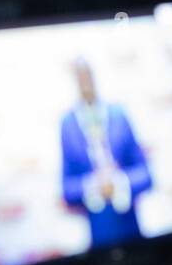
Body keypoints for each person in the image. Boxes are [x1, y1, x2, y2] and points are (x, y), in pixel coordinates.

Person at [59, 57, 153, 246]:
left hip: (132, 228)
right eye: (80, 78)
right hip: (98, 234)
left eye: (88, 77)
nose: (85, 84)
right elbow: (67, 189)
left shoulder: (118, 115)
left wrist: (118, 181)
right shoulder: (67, 124)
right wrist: (95, 184)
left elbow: (146, 176)